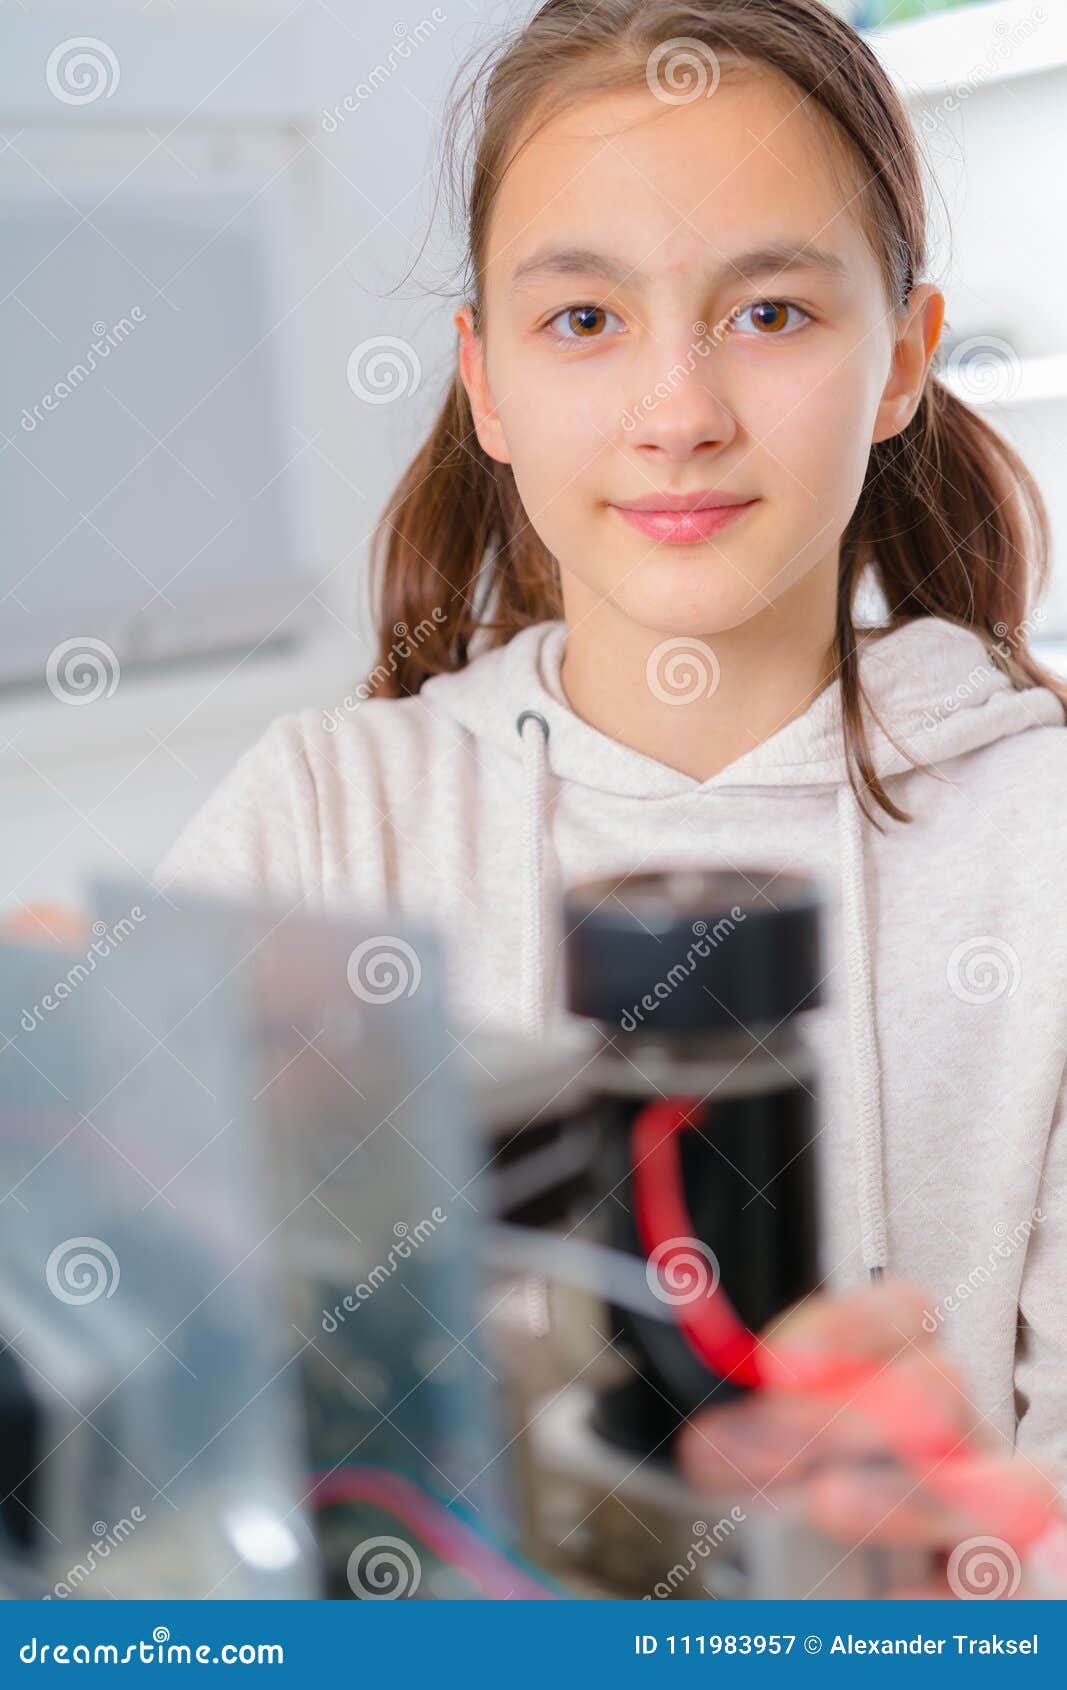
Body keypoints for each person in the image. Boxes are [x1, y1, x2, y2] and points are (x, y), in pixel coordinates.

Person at [153, 0, 1067, 1591]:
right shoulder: (320, 825)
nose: (679, 409)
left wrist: (931, 1577)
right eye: (583, 320)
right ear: (486, 382)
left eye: (772, 312)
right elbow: (144, 1476)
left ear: (903, 361)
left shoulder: (1041, 838)